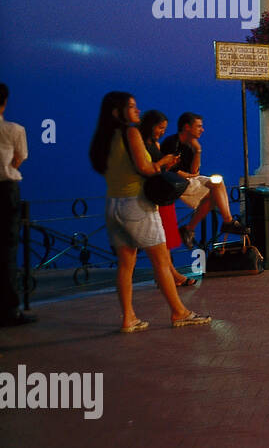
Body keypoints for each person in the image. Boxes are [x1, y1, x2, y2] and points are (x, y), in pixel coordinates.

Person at [88, 92, 211, 331]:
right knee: (161, 261)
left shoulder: (103, 138)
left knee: (126, 264)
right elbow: (145, 168)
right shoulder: (130, 132)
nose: (137, 110)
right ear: (117, 111)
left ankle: (129, 318)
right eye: (131, 106)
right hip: (138, 204)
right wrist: (163, 163)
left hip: (114, 204)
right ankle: (179, 312)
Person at [161, 112, 246, 248]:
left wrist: (198, 150)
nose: (202, 129)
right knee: (214, 193)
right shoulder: (171, 142)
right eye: (199, 126)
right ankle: (224, 223)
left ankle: (222, 222)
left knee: (217, 184)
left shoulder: (191, 146)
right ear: (187, 127)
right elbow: (169, 169)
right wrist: (188, 175)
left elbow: (194, 171)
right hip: (175, 183)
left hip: (188, 180)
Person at [141, 110, 200, 291]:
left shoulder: (155, 144)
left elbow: (161, 168)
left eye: (164, 128)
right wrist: (164, 162)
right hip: (151, 196)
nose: (162, 131)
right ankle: (170, 276)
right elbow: (147, 168)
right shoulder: (141, 145)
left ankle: (168, 275)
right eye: (160, 127)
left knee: (163, 237)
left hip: (161, 195)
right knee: (159, 238)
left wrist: (169, 163)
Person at [0, 83, 35, 326]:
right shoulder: (14, 130)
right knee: (7, 250)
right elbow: (18, 160)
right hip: (5, 190)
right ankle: (9, 310)